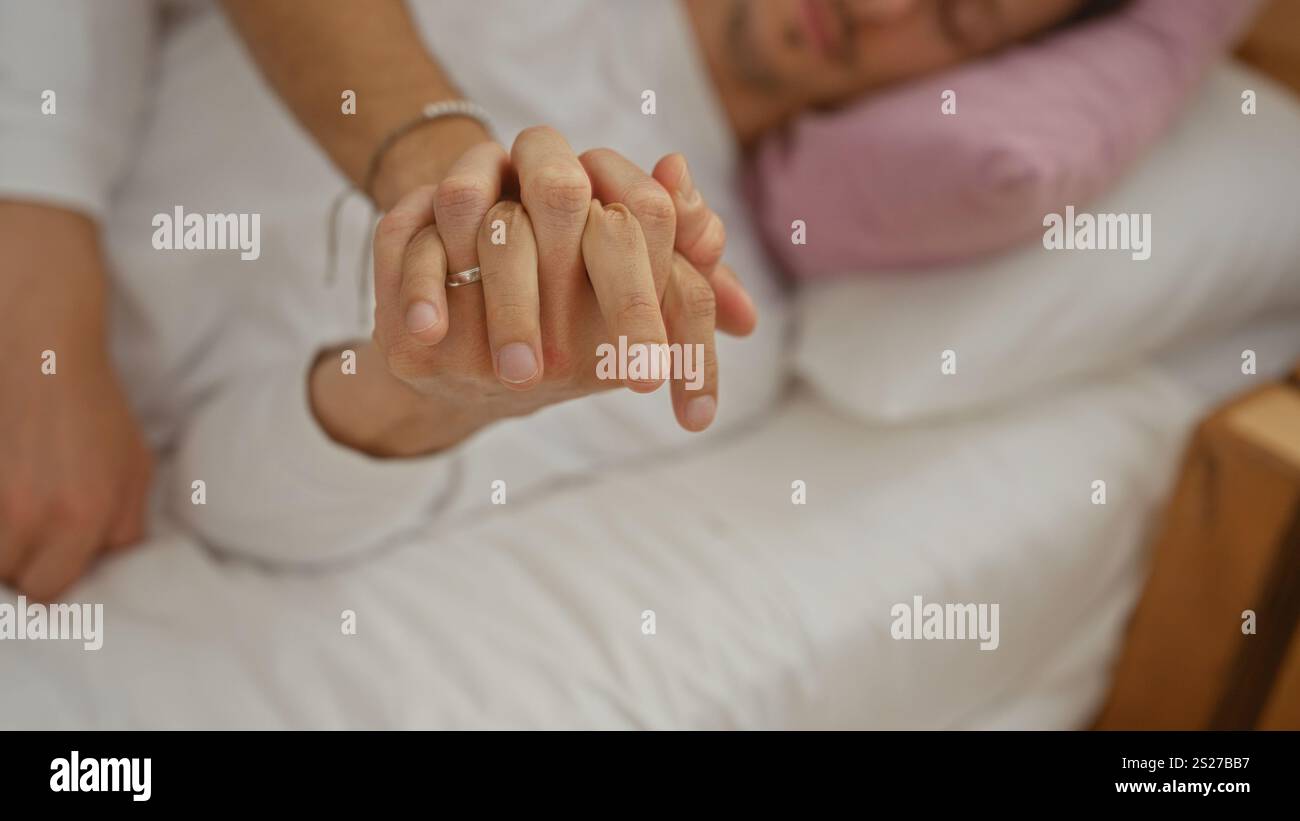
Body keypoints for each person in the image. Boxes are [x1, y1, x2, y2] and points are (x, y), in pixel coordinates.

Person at [0, 0, 1123, 597]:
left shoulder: (698, 318)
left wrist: (416, 395)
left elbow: (231, 502)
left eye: (955, 13)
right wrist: (39, 252)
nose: (880, 5)